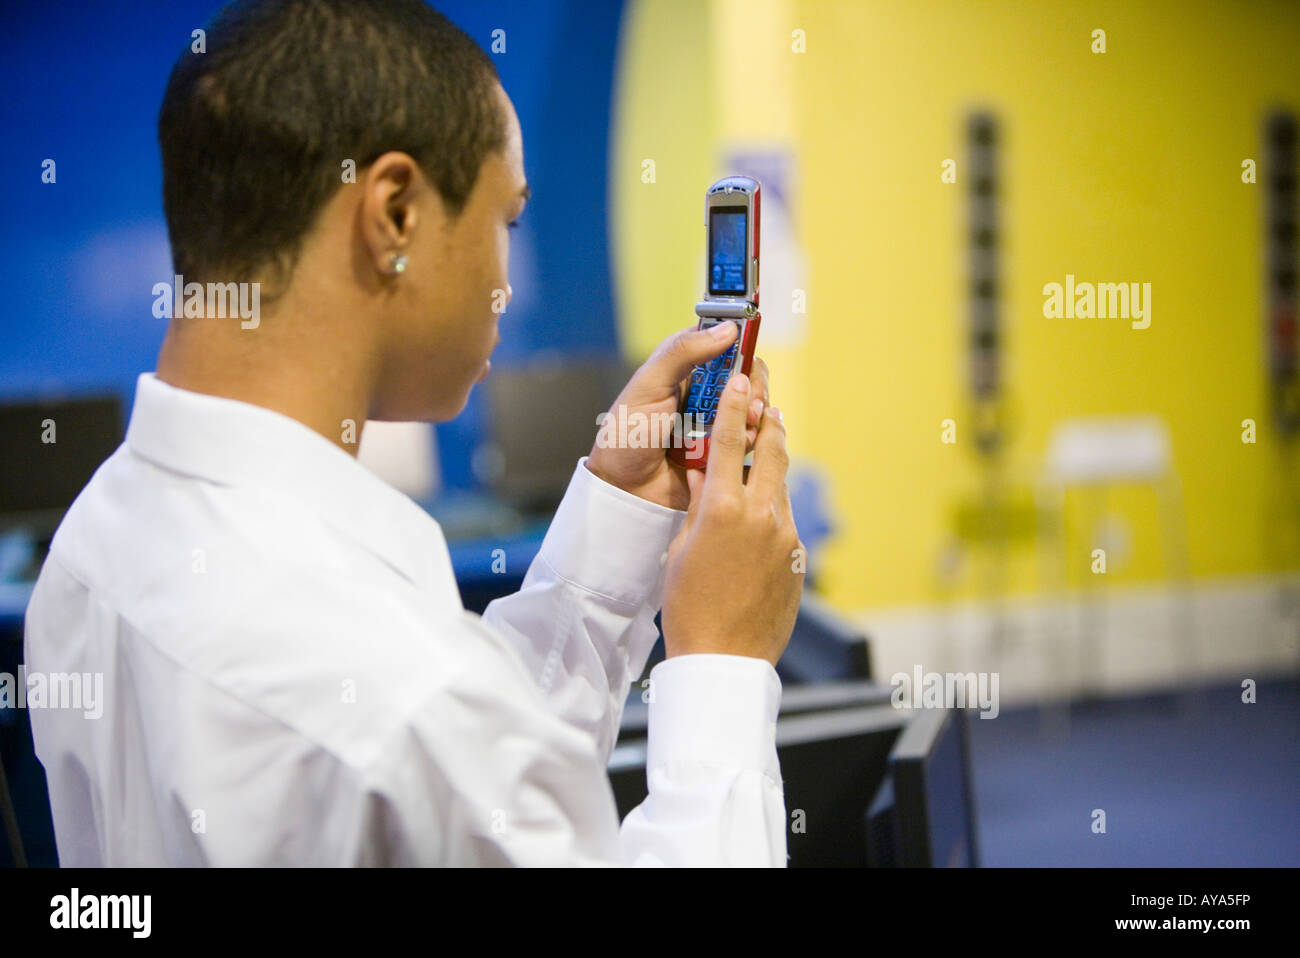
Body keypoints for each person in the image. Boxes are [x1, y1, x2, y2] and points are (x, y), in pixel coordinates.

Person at [24, 0, 804, 866]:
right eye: (505, 220)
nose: (507, 273)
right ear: (394, 213)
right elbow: (451, 740)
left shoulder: (96, 539)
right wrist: (725, 665)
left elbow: (478, 756)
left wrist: (615, 525)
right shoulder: (413, 707)